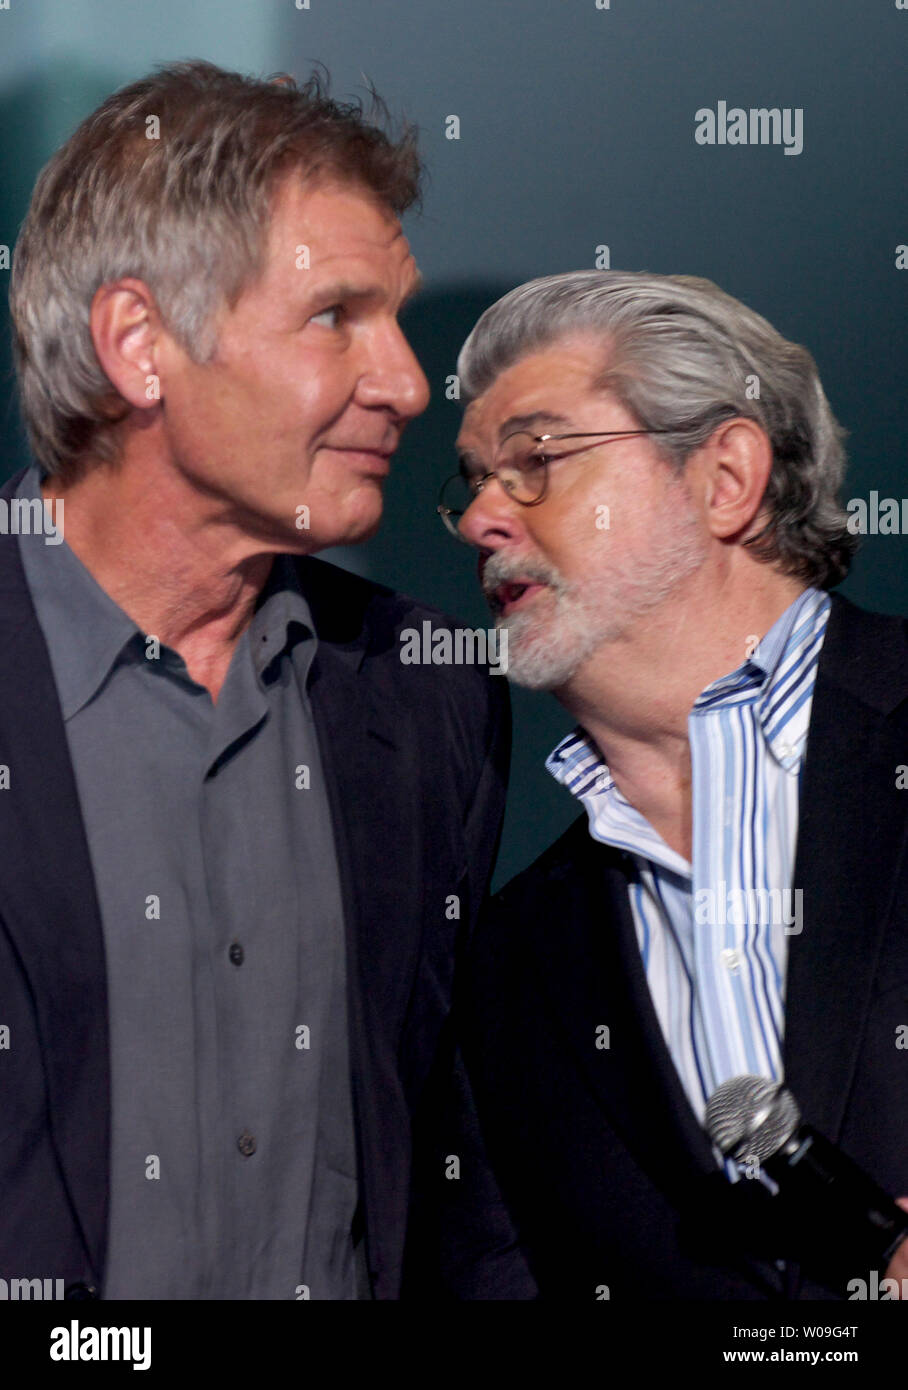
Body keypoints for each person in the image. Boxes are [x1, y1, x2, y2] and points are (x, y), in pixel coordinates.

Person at [1, 59, 531, 1301]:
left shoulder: (426, 696)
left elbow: (456, 1187)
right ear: (139, 344)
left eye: (396, 319)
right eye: (334, 315)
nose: (406, 382)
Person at [441, 269, 908, 1299]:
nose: (480, 516)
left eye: (535, 460)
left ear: (724, 476)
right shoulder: (508, 963)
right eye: (472, 480)